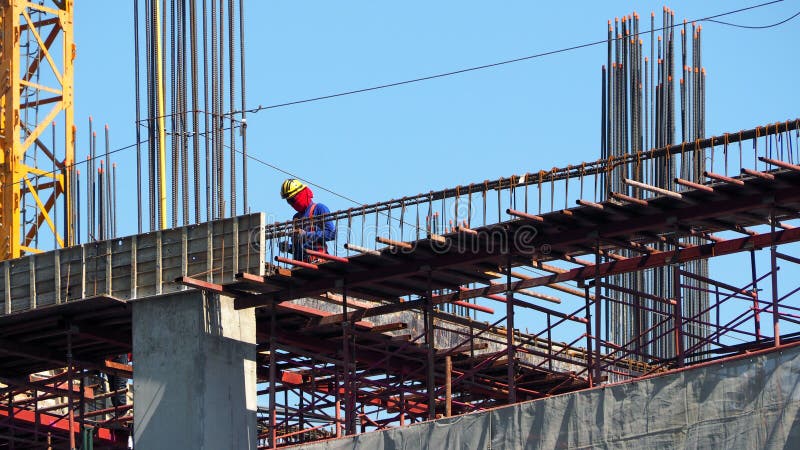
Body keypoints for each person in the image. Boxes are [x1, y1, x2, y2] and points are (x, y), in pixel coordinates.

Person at [279, 179, 336, 262]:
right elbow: (300, 249)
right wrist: (288, 248)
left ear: (302, 193)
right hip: (300, 264)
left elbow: (332, 234)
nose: (292, 204)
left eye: (293, 200)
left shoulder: (319, 209)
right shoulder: (296, 218)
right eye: (289, 201)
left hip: (317, 262)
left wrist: (306, 235)